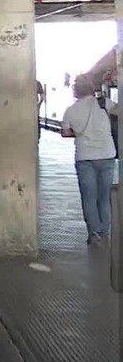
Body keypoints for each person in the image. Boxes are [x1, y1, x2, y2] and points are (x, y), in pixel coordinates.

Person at [62, 75, 117, 246]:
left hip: (85, 158)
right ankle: (104, 231)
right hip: (107, 155)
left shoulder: (70, 110)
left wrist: (78, 132)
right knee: (104, 196)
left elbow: (65, 132)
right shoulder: (104, 103)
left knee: (89, 197)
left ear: (76, 91)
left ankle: (94, 234)